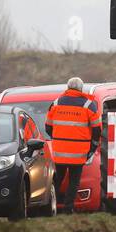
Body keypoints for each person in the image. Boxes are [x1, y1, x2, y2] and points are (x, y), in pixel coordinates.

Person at [45, 77, 101, 215]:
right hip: (79, 152)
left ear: (68, 87)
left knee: (57, 180)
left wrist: (58, 138)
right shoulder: (89, 105)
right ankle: (68, 208)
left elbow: (47, 127)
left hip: (59, 151)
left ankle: (51, 207)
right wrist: (92, 148)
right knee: (74, 181)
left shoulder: (56, 103)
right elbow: (97, 129)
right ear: (81, 89)